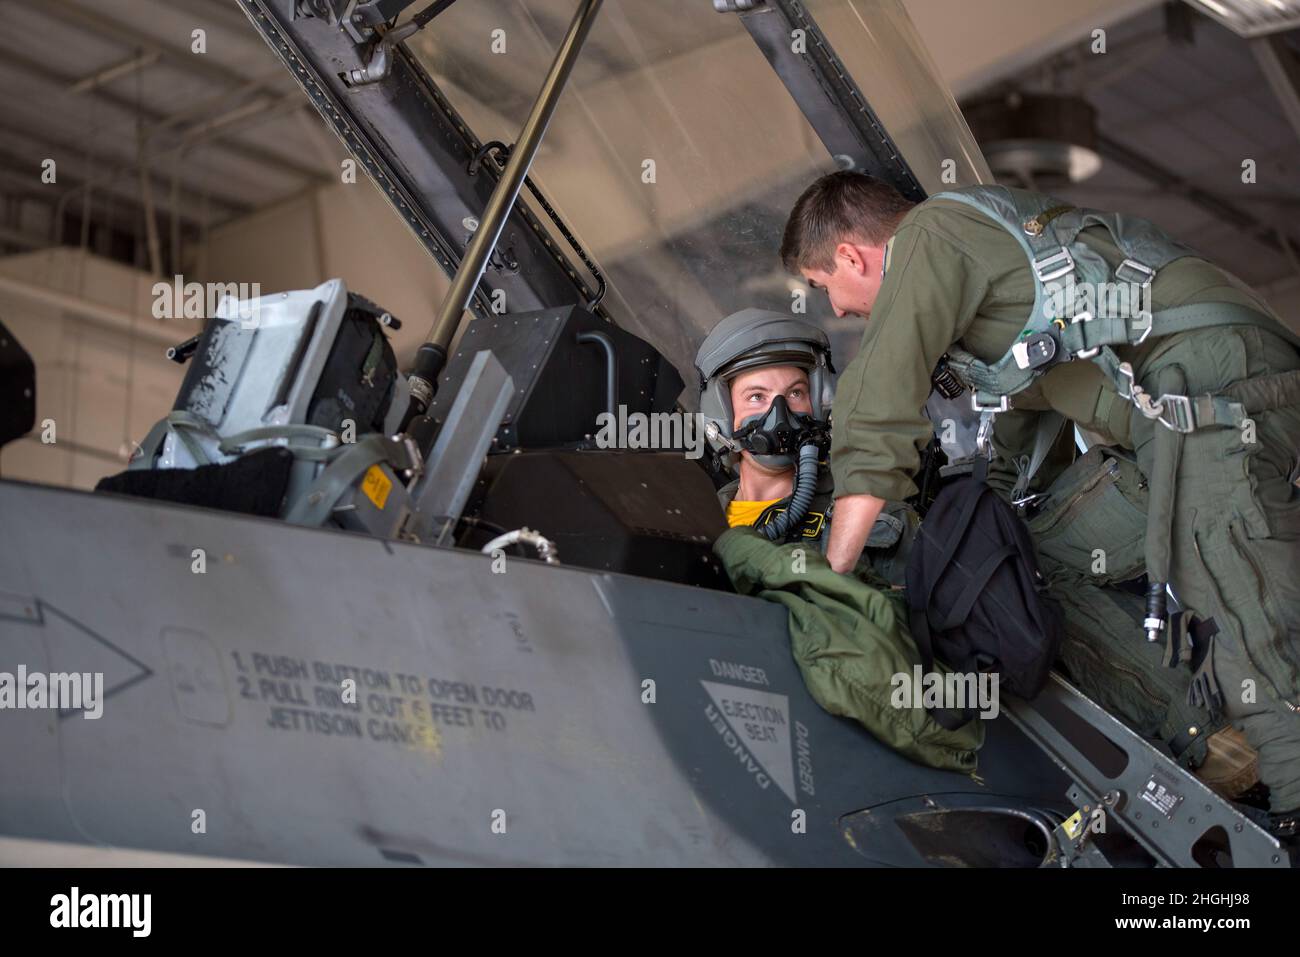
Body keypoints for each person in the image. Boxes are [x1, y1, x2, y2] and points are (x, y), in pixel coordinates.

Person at [780, 171, 1300, 821]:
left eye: (826, 286)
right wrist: (987, 529)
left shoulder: (932, 233)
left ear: (853, 256)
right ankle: (1213, 744)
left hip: (1215, 394)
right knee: (1024, 568)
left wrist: (833, 576)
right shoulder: (989, 277)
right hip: (1173, 423)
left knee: (1228, 583)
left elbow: (877, 396)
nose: (836, 310)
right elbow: (1029, 422)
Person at [695, 308, 914, 584]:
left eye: (796, 393)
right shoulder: (696, 519)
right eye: (756, 396)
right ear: (723, 416)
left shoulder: (869, 515)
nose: (780, 413)